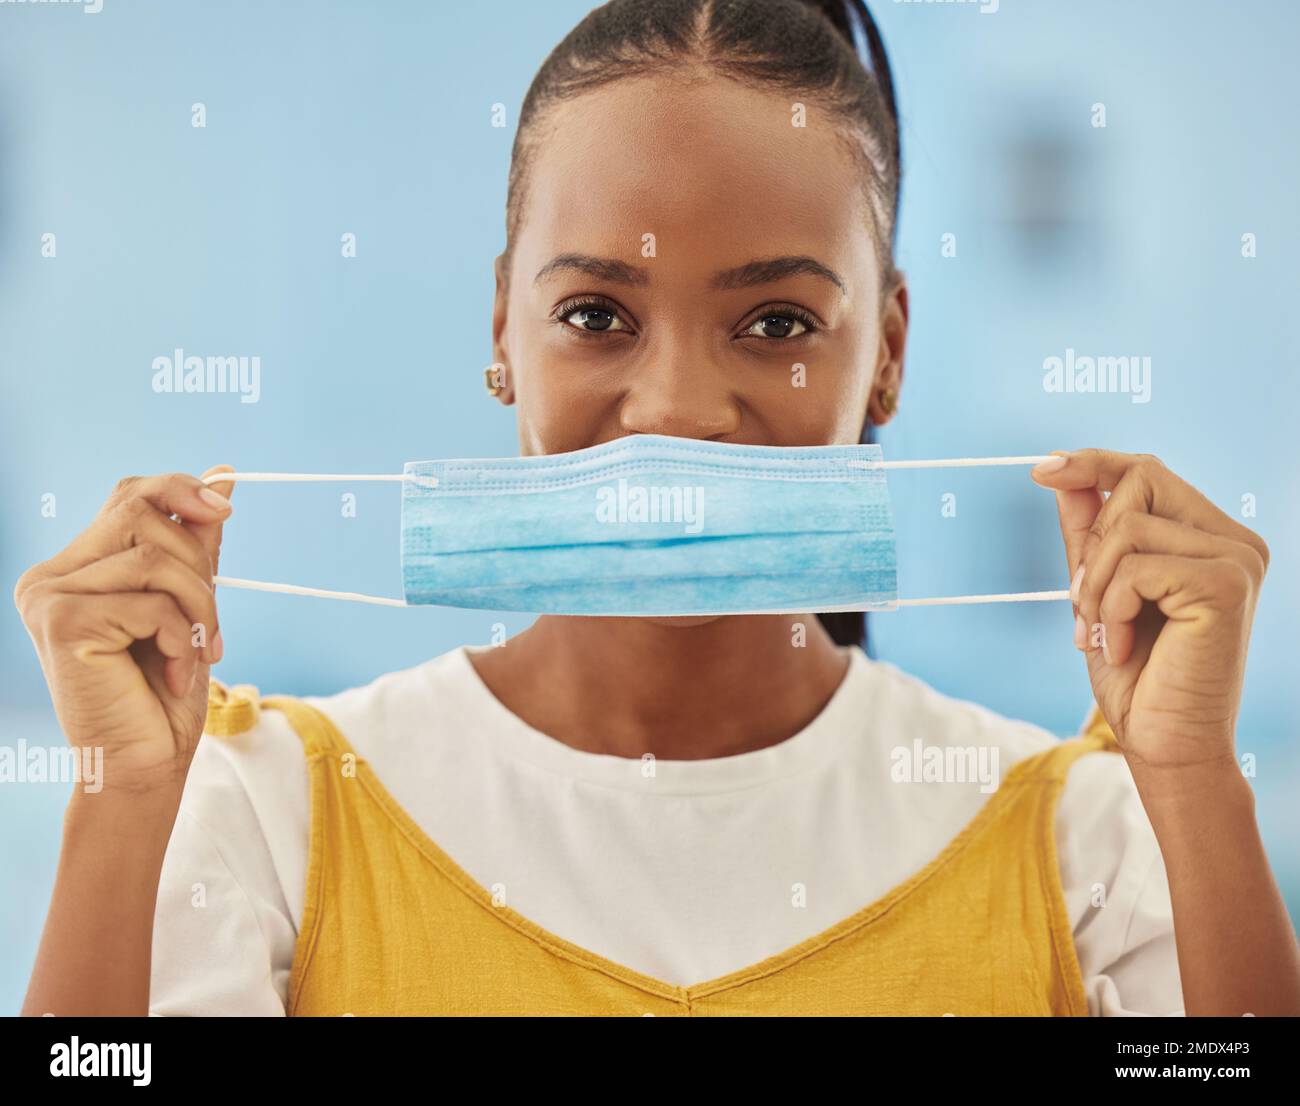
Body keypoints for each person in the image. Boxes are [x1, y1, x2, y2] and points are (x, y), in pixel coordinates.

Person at [16, 0, 1298, 1016]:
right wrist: (118, 804)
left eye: (778, 323)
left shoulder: (1083, 836)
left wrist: (1194, 784)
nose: (678, 404)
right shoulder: (269, 809)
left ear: (889, 354)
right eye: (593, 316)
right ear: (502, 329)